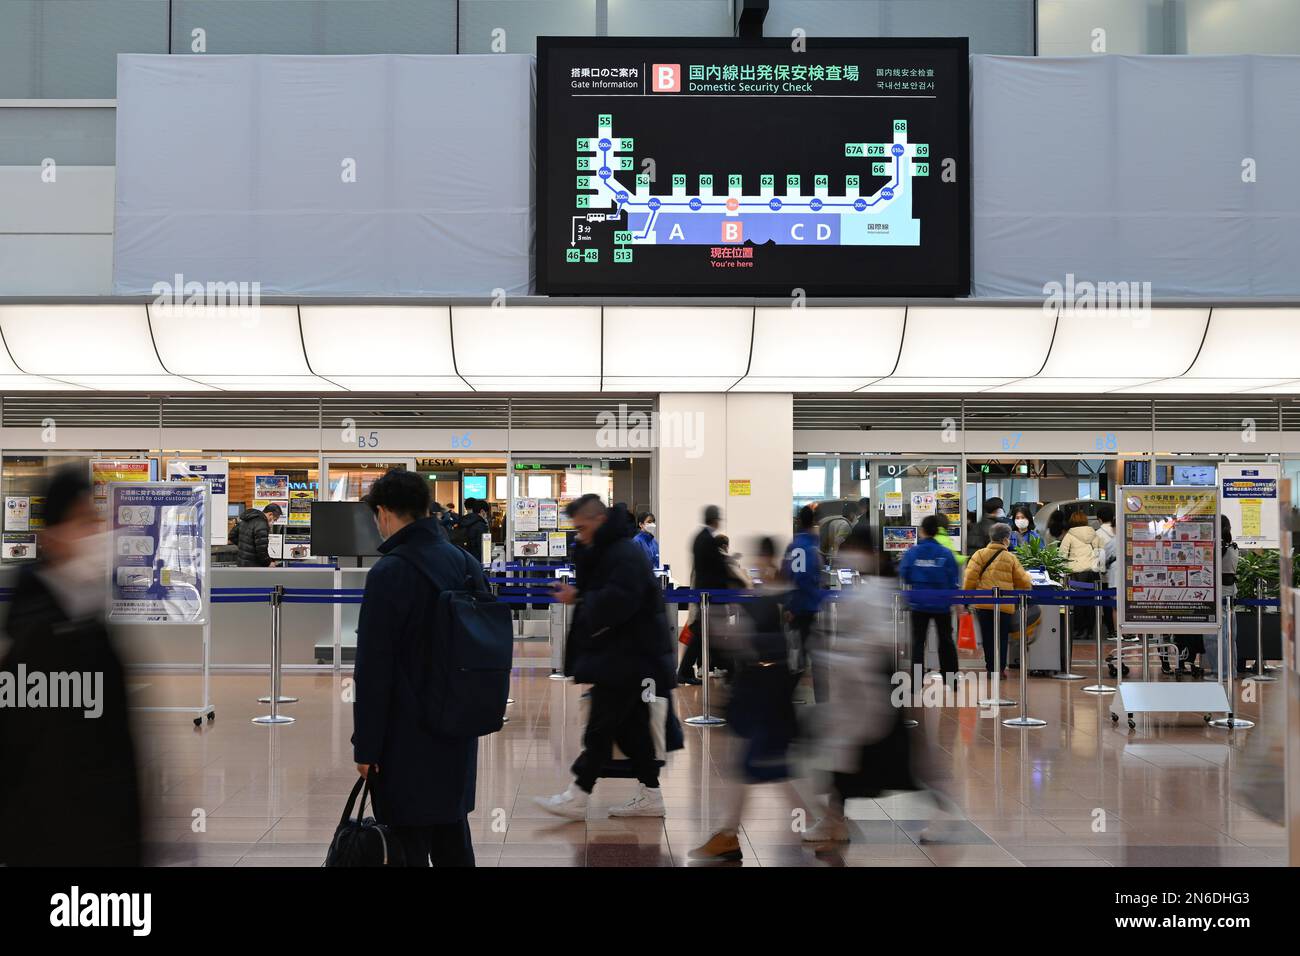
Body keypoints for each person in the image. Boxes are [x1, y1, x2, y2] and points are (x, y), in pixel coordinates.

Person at [0, 465, 142, 865]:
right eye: (86, 521)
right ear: (52, 538)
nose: (99, 535)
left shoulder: (87, 620)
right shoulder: (36, 636)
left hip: (102, 836)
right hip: (60, 843)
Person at [351, 469, 485, 866]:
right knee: (451, 833)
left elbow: (374, 669)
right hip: (458, 726)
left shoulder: (389, 573)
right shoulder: (465, 563)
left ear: (386, 512)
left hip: (404, 735)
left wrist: (368, 745)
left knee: (406, 840)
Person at [802, 528, 962, 845]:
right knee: (843, 763)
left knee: (903, 766)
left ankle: (944, 813)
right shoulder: (867, 588)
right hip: (857, 696)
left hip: (874, 692)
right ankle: (835, 821)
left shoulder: (874, 592)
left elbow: (880, 641)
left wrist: (838, 654)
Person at [535, 495, 677, 820]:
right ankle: (651, 794)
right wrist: (585, 553)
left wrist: (580, 597)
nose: (579, 535)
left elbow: (619, 602)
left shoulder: (624, 552)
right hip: (625, 656)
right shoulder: (608, 548)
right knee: (630, 730)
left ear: (598, 520)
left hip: (630, 658)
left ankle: (578, 794)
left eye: (582, 528)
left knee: (600, 727)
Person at [963, 522, 1032, 680]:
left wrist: (966, 598)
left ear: (991, 537)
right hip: (1004, 605)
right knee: (1001, 638)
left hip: (983, 603)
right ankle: (1000, 670)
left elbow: (970, 579)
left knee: (988, 637)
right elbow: (1024, 582)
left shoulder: (979, 555)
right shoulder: (1010, 558)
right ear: (1006, 539)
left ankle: (990, 669)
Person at [898, 515, 960, 686]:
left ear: (922, 531)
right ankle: (952, 681)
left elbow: (905, 574)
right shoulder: (946, 553)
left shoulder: (913, 552)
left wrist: (917, 584)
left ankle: (917, 682)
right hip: (942, 603)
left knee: (918, 643)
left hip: (919, 603)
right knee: (946, 640)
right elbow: (953, 578)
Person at [679, 504, 728, 685]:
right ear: (714, 520)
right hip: (709, 596)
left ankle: (689, 669)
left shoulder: (701, 538)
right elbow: (715, 569)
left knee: (701, 634)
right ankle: (686, 670)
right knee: (700, 634)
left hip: (706, 594)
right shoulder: (707, 540)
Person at [782, 505, 827, 702]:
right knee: (816, 657)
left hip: (795, 606)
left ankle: (787, 696)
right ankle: (823, 700)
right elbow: (807, 577)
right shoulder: (812, 547)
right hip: (808, 606)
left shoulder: (793, 546)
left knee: (797, 654)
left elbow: (787, 575)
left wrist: (788, 604)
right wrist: (818, 599)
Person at [1203, 515, 1240, 678]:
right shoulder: (1233, 546)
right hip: (1230, 594)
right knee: (1229, 637)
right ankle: (1230, 670)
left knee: (1214, 636)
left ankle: (1222, 672)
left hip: (1219, 595)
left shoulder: (1219, 548)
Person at [232, 502, 281, 567]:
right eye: (274, 519)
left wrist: (245, 547)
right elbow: (261, 550)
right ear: (270, 514)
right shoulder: (262, 524)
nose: (273, 522)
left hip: (241, 562)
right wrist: (269, 563)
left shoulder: (247, 518)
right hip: (253, 565)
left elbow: (232, 536)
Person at [451, 497, 489, 562]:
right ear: (482, 511)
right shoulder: (481, 526)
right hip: (475, 562)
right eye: (486, 513)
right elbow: (484, 549)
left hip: (461, 559)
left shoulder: (461, 521)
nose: (486, 515)